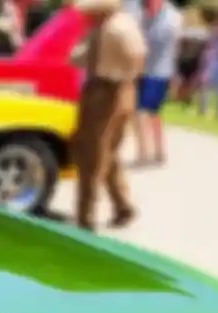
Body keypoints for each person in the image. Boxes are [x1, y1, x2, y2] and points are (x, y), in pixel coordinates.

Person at [70, 0, 145, 231]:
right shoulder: (116, 25)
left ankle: (86, 216)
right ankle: (123, 206)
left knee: (91, 153)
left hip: (106, 90)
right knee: (108, 151)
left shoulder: (113, 28)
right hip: (118, 88)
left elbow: (135, 56)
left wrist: (122, 76)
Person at [132, 0, 179, 165]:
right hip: (141, 71)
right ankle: (145, 151)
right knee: (140, 112)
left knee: (150, 112)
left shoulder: (171, 16)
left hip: (160, 72)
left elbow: (169, 43)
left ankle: (156, 150)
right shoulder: (141, 11)